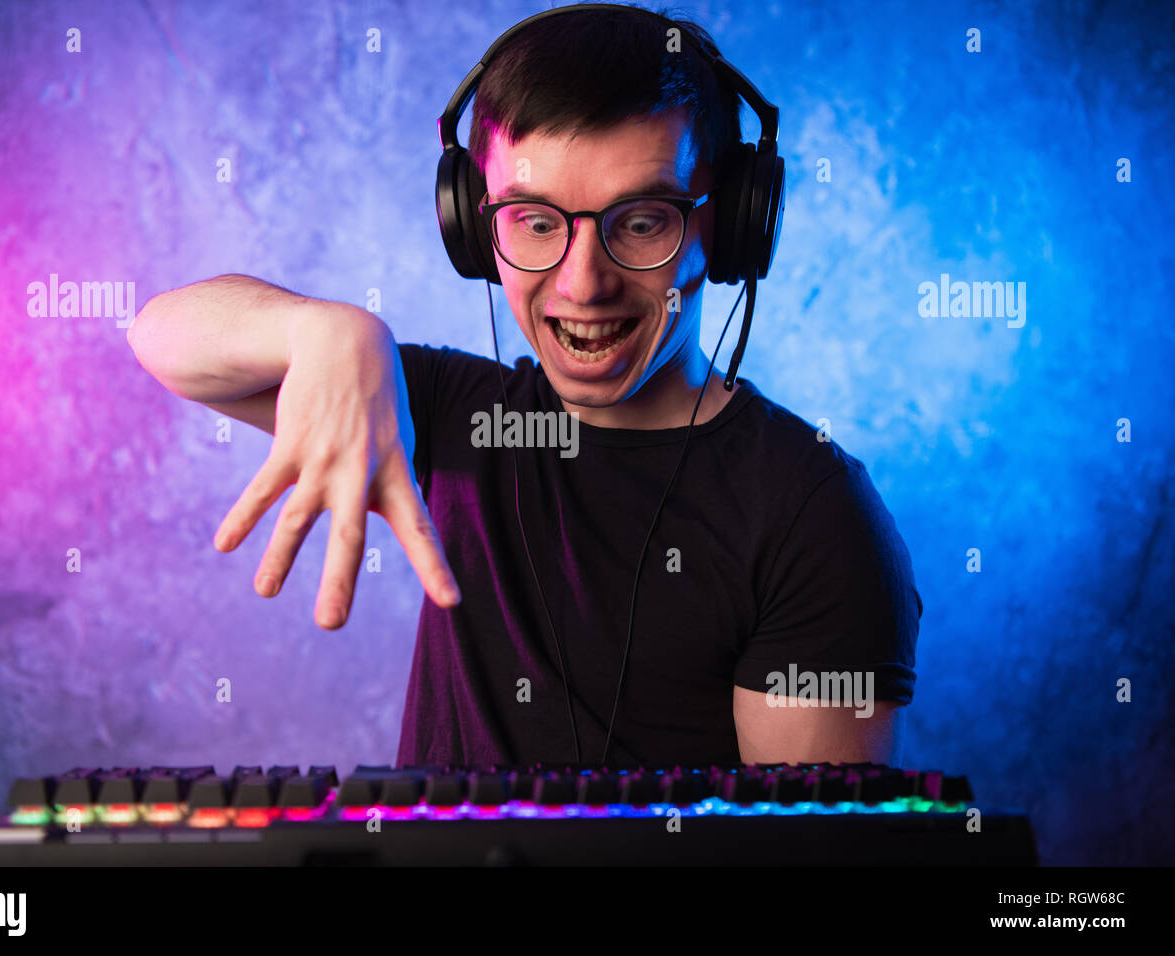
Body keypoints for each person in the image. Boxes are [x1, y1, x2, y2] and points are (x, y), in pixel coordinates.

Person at [128, 3, 921, 770]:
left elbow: (809, 856)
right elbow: (162, 336)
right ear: (475, 229)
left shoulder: (814, 514)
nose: (582, 283)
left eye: (641, 221)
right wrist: (327, 332)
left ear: (732, 221)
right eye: (535, 221)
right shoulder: (438, 412)